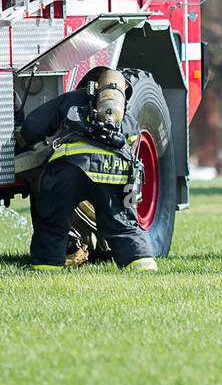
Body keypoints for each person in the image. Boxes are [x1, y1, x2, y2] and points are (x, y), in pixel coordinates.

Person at [19, 66, 158, 272]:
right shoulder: (127, 118)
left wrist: (22, 142)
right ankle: (144, 267)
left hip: (70, 170)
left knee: (52, 223)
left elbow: (32, 126)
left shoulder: (72, 99)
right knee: (124, 226)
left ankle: (47, 268)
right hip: (113, 175)